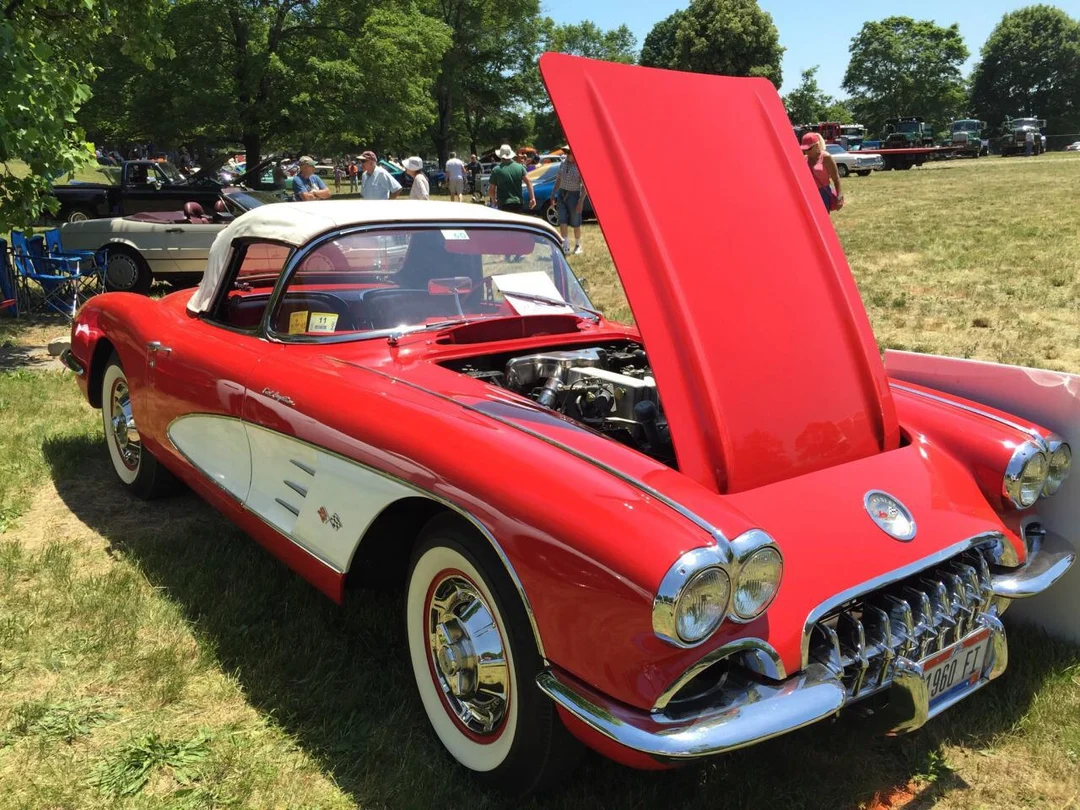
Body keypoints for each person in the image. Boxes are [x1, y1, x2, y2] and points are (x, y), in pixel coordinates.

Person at [552, 149, 587, 254]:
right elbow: (558, 179)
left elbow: (584, 187)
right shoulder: (563, 163)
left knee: (576, 222)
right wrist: (553, 193)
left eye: (569, 153)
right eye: (566, 153)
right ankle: (565, 246)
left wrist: (581, 201)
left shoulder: (580, 166)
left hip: (574, 195)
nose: (567, 155)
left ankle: (578, 245)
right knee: (562, 220)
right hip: (562, 194)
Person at [801, 133, 843, 214]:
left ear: (817, 146)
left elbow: (836, 178)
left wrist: (839, 196)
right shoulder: (803, 159)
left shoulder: (826, 157)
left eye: (809, 148)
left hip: (823, 194)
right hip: (808, 194)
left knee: (823, 219)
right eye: (804, 149)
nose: (806, 151)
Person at [488, 144, 535, 213]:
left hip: (504, 203)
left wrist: (494, 200)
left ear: (501, 156)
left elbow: (491, 189)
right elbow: (529, 182)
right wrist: (532, 198)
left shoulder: (496, 170)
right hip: (518, 203)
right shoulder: (520, 167)